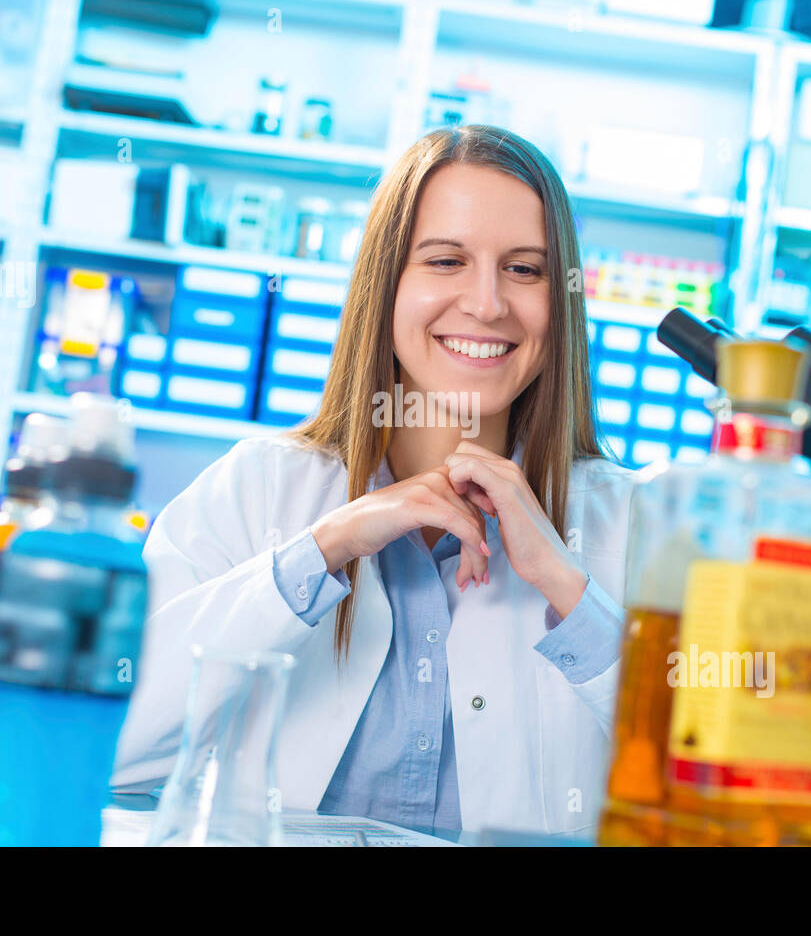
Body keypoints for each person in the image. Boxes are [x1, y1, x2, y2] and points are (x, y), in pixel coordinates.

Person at [112, 124, 635, 836]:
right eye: (446, 260)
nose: (486, 303)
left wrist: (569, 590)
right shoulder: (259, 490)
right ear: (384, 285)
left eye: (524, 269)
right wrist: (317, 553)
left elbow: (722, 796)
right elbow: (118, 754)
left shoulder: (631, 524)